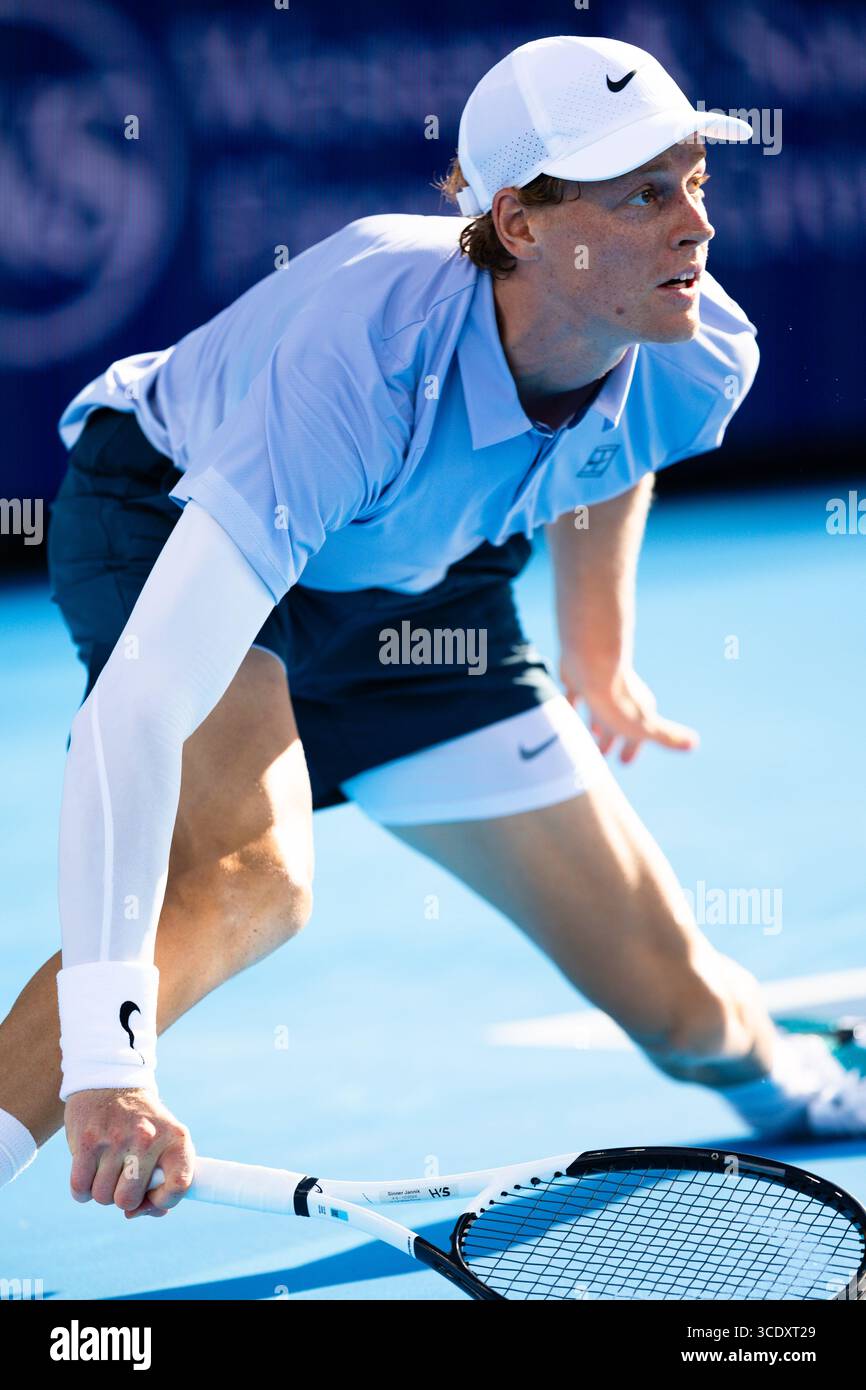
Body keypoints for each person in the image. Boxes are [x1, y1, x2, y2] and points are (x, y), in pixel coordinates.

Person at [1, 35, 860, 1222]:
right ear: (517, 224)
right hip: (173, 515)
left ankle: (800, 1079)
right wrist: (110, 1069)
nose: (693, 227)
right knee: (252, 877)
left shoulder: (698, 348)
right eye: (642, 194)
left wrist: (595, 653)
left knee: (680, 1006)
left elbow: (615, 454)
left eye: (693, 183)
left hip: (424, 604)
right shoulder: (362, 352)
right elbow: (134, 712)